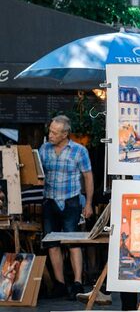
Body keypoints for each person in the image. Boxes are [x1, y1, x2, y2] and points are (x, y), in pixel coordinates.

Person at [39, 115, 94, 298]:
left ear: (65, 134)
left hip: (71, 201)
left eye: (55, 132)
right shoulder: (44, 149)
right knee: (52, 244)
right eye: (50, 131)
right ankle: (60, 284)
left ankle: (77, 283)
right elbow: (38, 173)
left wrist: (88, 204)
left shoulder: (79, 151)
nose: (50, 135)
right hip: (50, 200)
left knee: (72, 242)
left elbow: (88, 177)